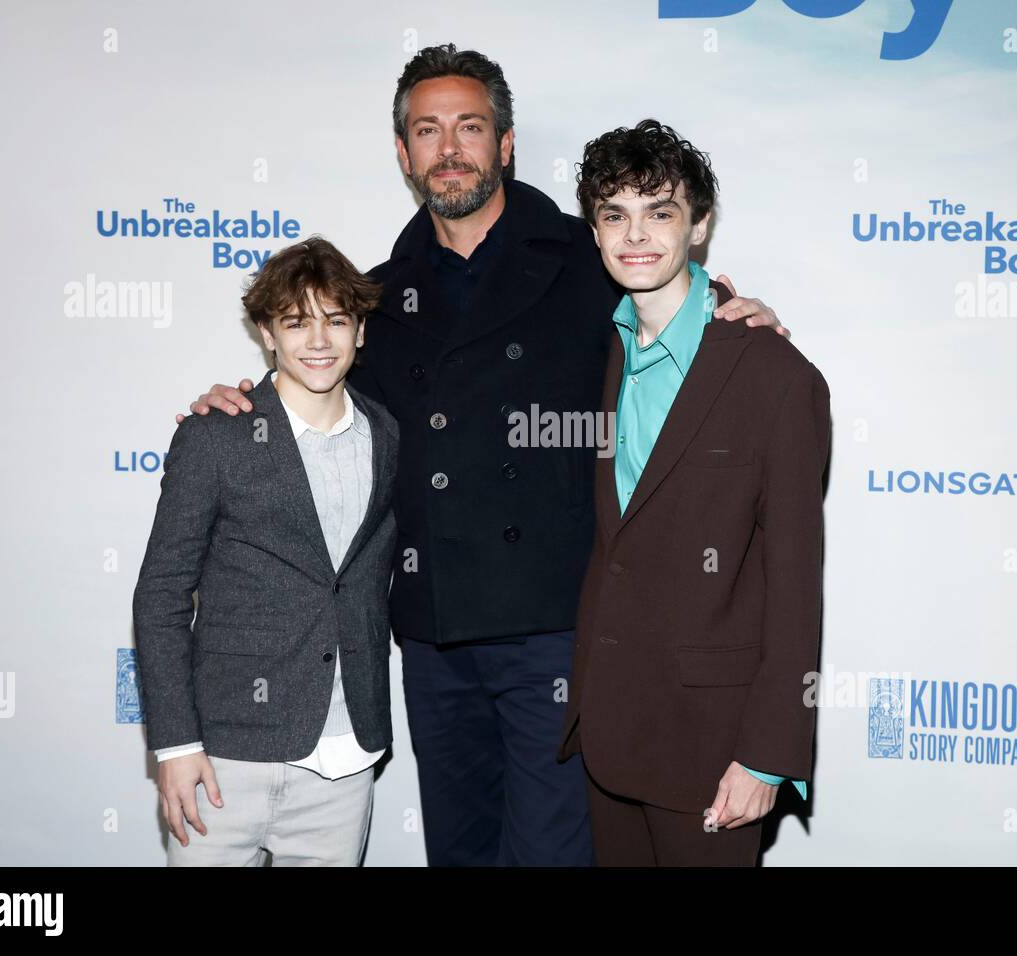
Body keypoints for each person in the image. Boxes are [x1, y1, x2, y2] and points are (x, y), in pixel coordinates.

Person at [182, 45, 787, 867]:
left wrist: (734, 311)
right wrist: (238, 403)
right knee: (460, 851)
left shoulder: (589, 255)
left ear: (505, 144)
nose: (450, 147)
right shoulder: (377, 293)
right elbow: (310, 380)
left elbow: (670, 295)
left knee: (551, 855)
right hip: (434, 633)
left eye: (470, 127)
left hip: (556, 627)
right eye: (428, 131)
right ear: (404, 155)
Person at [557, 120, 831, 866]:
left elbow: (796, 583)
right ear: (594, 230)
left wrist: (769, 755)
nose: (635, 235)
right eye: (614, 215)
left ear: (700, 224)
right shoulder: (606, 351)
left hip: (714, 748)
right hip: (610, 734)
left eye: (660, 211)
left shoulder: (777, 378)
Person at [133, 236, 399, 866]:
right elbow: (161, 595)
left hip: (343, 760)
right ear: (266, 333)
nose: (318, 340)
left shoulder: (387, 434)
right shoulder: (215, 435)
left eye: (336, 320)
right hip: (221, 759)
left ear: (360, 332)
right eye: (296, 321)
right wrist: (175, 747)